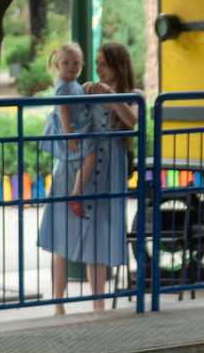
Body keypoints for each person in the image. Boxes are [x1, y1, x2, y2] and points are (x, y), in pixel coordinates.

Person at [36, 42, 143, 314]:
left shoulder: (134, 95)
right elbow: (61, 112)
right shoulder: (84, 89)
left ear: (118, 65)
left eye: (103, 64)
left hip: (108, 172)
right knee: (62, 237)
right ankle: (58, 305)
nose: (98, 69)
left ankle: (99, 306)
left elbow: (132, 120)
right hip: (75, 168)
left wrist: (111, 95)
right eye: (96, 63)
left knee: (99, 239)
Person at [40, 42, 96, 218]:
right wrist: (69, 136)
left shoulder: (73, 83)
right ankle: (75, 195)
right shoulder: (63, 86)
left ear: (81, 64)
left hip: (79, 126)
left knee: (89, 158)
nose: (71, 67)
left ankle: (77, 193)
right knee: (90, 158)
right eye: (66, 63)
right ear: (57, 65)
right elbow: (63, 112)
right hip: (73, 128)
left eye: (75, 63)